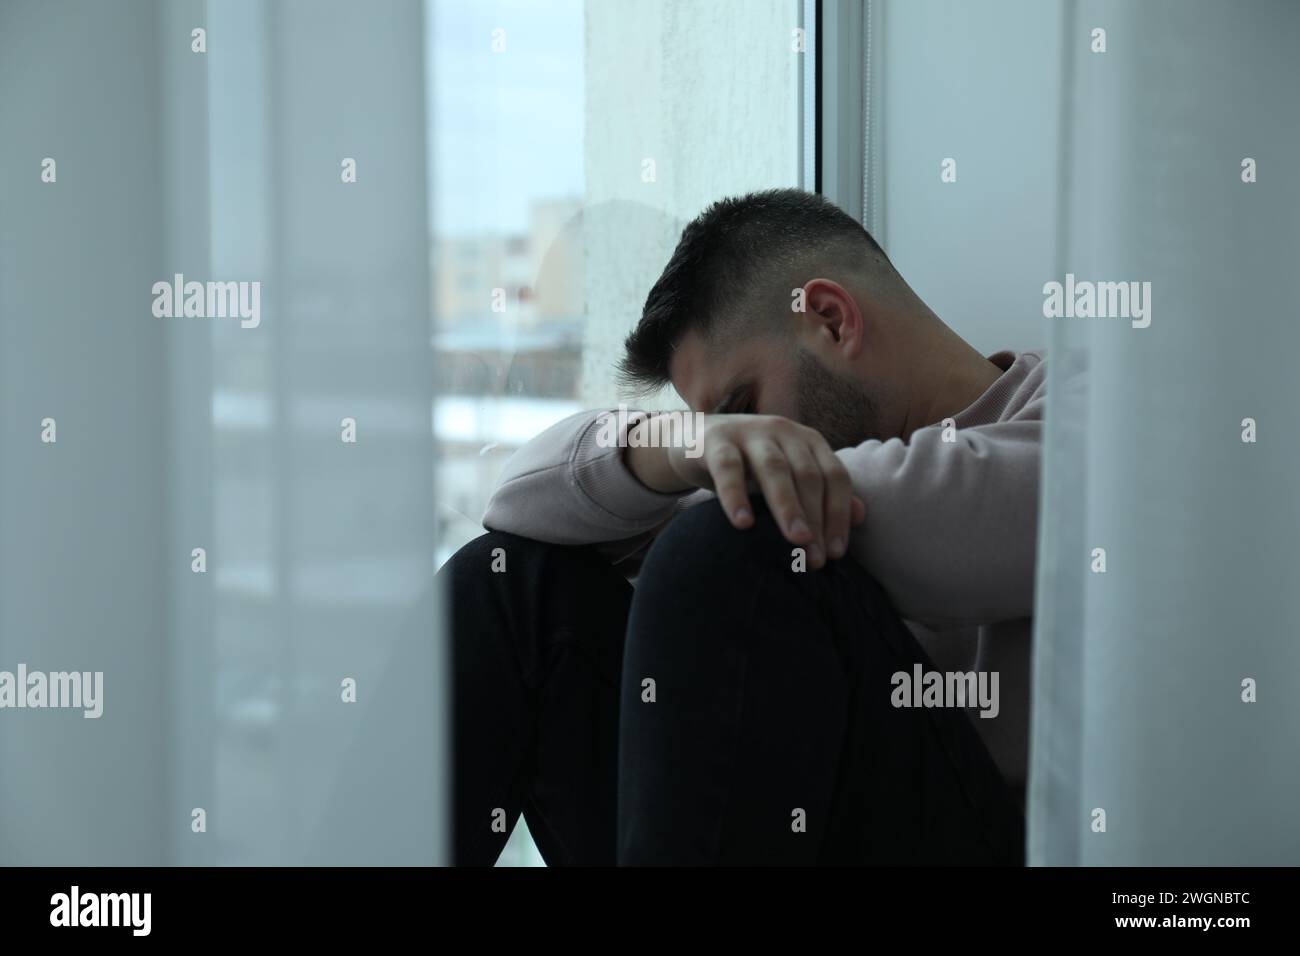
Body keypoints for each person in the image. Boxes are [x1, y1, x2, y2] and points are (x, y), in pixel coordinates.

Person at [440, 187, 1044, 865]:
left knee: (729, 549)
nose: (740, 438)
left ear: (830, 319)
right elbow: (519, 505)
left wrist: (715, 495)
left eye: (740, 406)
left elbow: (948, 514)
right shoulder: (770, 491)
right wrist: (680, 448)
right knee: (514, 585)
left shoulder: (1091, 426)